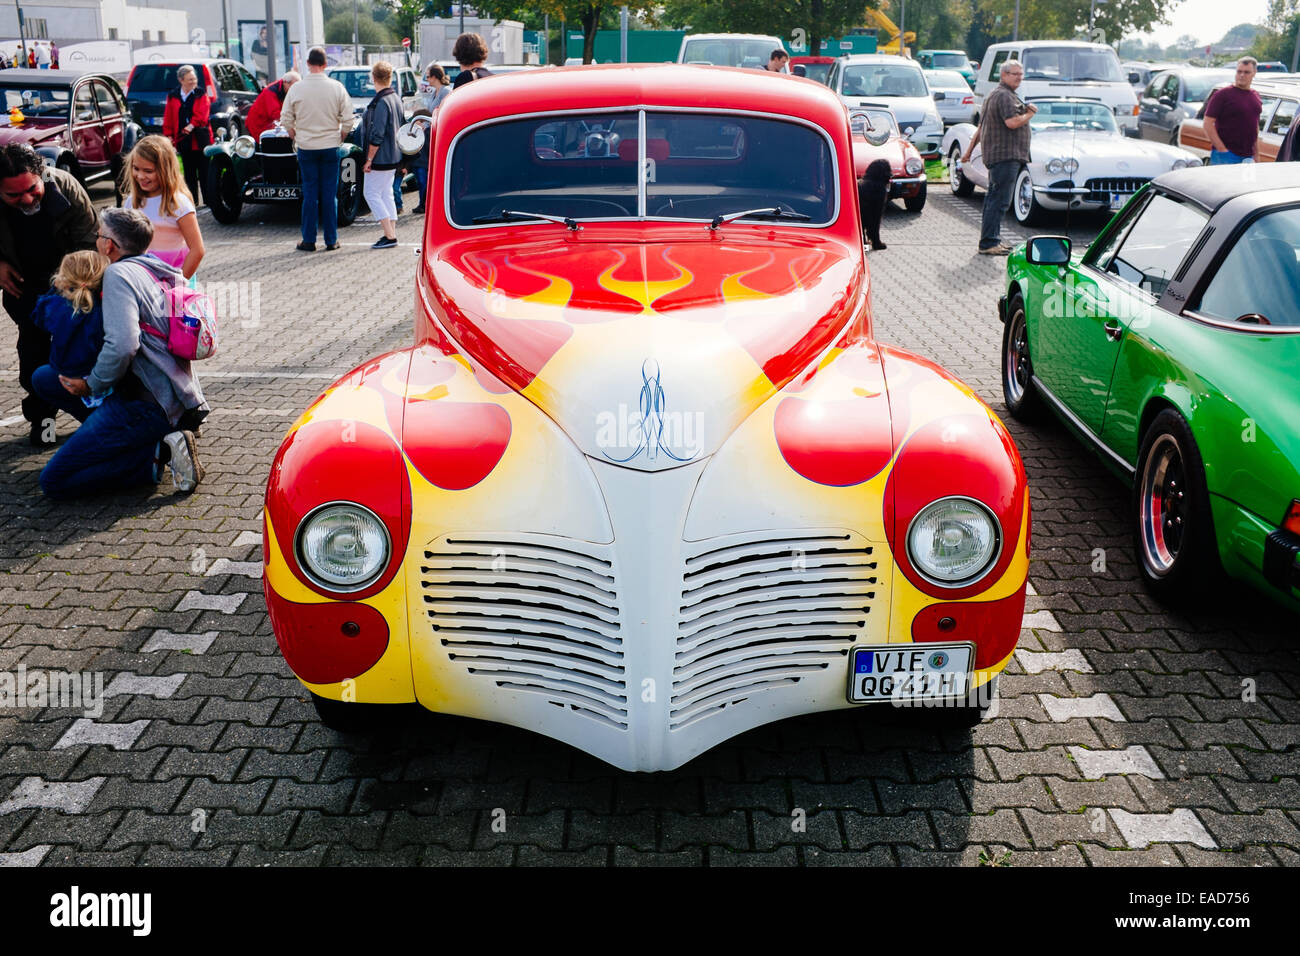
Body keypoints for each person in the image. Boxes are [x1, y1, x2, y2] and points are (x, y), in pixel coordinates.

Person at [39, 208, 208, 498]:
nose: (96, 242)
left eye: (99, 236)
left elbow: (124, 344)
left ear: (109, 245)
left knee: (54, 481)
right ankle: (135, 441)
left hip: (145, 403)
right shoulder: (154, 267)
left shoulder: (117, 274)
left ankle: (152, 456)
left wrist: (91, 384)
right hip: (173, 395)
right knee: (45, 377)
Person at [0, 144, 97, 445]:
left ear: (41, 175)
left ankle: (101, 420)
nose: (26, 199)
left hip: (73, 286)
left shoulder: (67, 187)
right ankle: (43, 425)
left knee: (86, 352)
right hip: (24, 287)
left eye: (32, 189)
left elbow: (91, 243)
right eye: (13, 196)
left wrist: (72, 284)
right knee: (34, 357)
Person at [280, 46, 352, 252]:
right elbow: (348, 119)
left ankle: (309, 240)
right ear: (325, 64)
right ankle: (331, 239)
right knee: (330, 194)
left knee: (310, 194)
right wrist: (341, 135)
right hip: (330, 144)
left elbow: (286, 118)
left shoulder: (296, 88)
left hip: (306, 146)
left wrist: (295, 134)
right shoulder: (336, 87)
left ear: (309, 64)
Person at [962, 59, 1035, 256]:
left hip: (1000, 157)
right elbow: (1012, 123)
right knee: (999, 201)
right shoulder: (1004, 96)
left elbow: (981, 128)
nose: (1019, 78)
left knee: (994, 200)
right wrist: (1029, 114)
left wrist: (968, 153)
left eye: (1021, 74)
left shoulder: (996, 94)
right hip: (1005, 156)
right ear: (1003, 75)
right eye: (1014, 74)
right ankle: (988, 243)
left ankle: (991, 240)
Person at [30, 252, 109, 421]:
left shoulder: (56, 308)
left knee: (40, 377)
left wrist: (57, 289)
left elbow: (38, 314)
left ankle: (92, 424)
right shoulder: (104, 309)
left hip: (70, 375)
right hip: (101, 378)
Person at [121, 135, 205, 279]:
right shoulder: (132, 202)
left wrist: (177, 284)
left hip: (175, 281)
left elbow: (197, 250)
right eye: (136, 169)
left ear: (165, 169)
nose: (140, 176)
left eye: (148, 171)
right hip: (145, 281)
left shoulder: (179, 204)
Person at [362, 61, 402, 249]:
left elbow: (377, 133)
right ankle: (391, 232)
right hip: (394, 155)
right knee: (386, 194)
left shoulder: (381, 101)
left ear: (374, 78)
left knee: (370, 193)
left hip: (381, 157)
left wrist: (369, 159)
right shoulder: (395, 98)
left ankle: (390, 235)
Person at [162, 65, 211, 206]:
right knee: (189, 173)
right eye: (189, 79)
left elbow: (202, 114)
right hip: (183, 140)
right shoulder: (173, 96)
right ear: (181, 80)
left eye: (194, 79)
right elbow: (169, 117)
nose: (193, 82)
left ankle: (208, 200)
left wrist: (191, 126)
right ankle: (192, 201)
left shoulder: (201, 94)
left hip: (200, 139)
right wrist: (169, 135)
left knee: (204, 172)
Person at [1204, 57, 1261, 165]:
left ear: (1254, 73)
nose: (1242, 75)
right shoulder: (1223, 94)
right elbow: (1208, 123)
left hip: (1248, 157)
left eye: (1246, 72)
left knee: (1247, 182)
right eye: (1239, 71)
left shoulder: (1256, 96)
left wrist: (1257, 154)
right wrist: (1222, 150)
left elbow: (1255, 127)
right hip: (1226, 155)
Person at [246, 70, 299, 140]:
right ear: (286, 83)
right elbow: (275, 114)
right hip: (259, 124)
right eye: (294, 86)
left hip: (269, 124)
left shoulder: (282, 90)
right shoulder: (270, 92)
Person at [408, 108, 432, 215]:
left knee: (423, 184)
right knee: (422, 184)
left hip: (423, 163)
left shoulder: (428, 131)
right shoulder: (418, 132)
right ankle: (423, 204)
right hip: (420, 163)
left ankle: (424, 204)